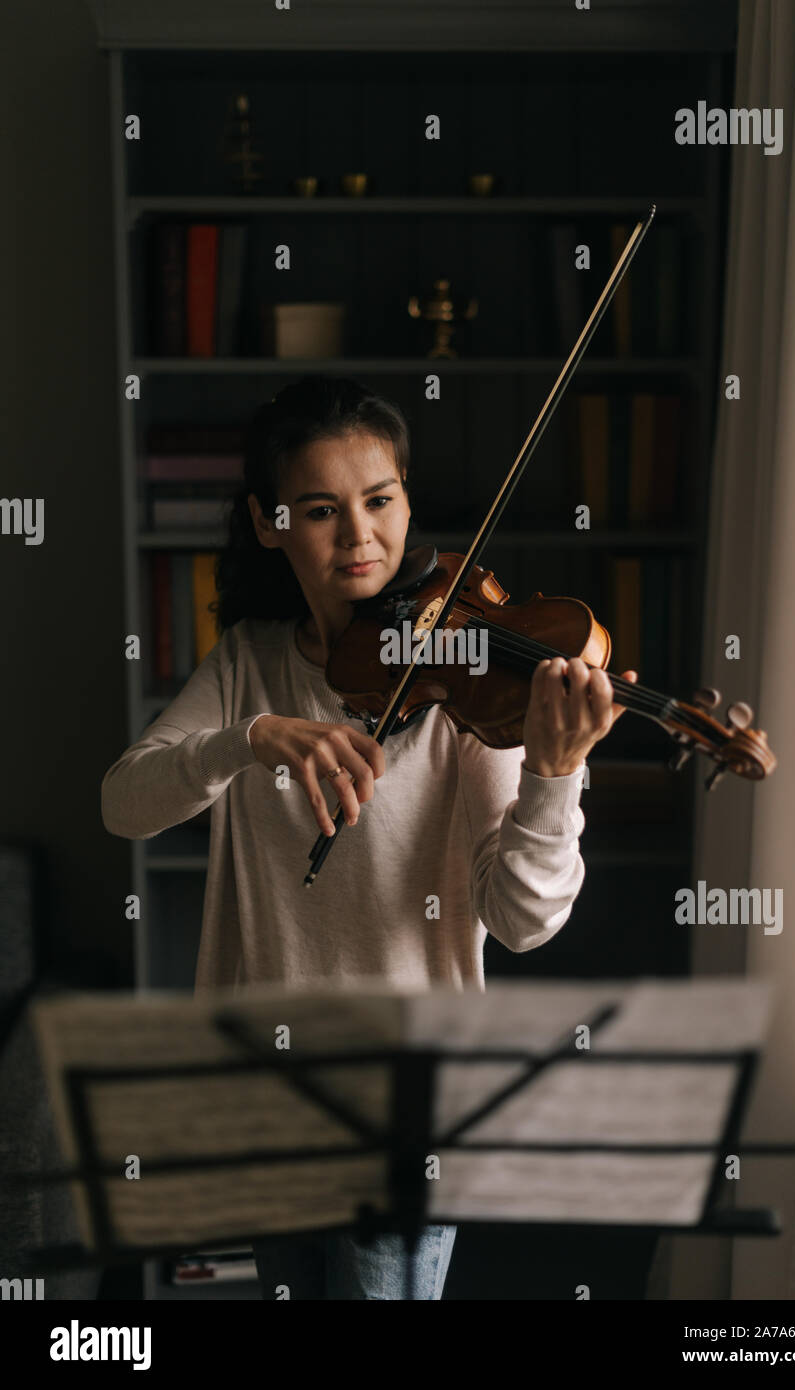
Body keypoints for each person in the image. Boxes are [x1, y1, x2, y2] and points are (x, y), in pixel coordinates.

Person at [101, 375, 637, 1300]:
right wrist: (251, 738)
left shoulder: (466, 685)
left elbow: (521, 921)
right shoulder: (248, 666)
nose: (358, 536)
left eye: (379, 500)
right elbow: (125, 802)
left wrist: (552, 775)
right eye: (319, 510)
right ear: (269, 525)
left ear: (405, 503)